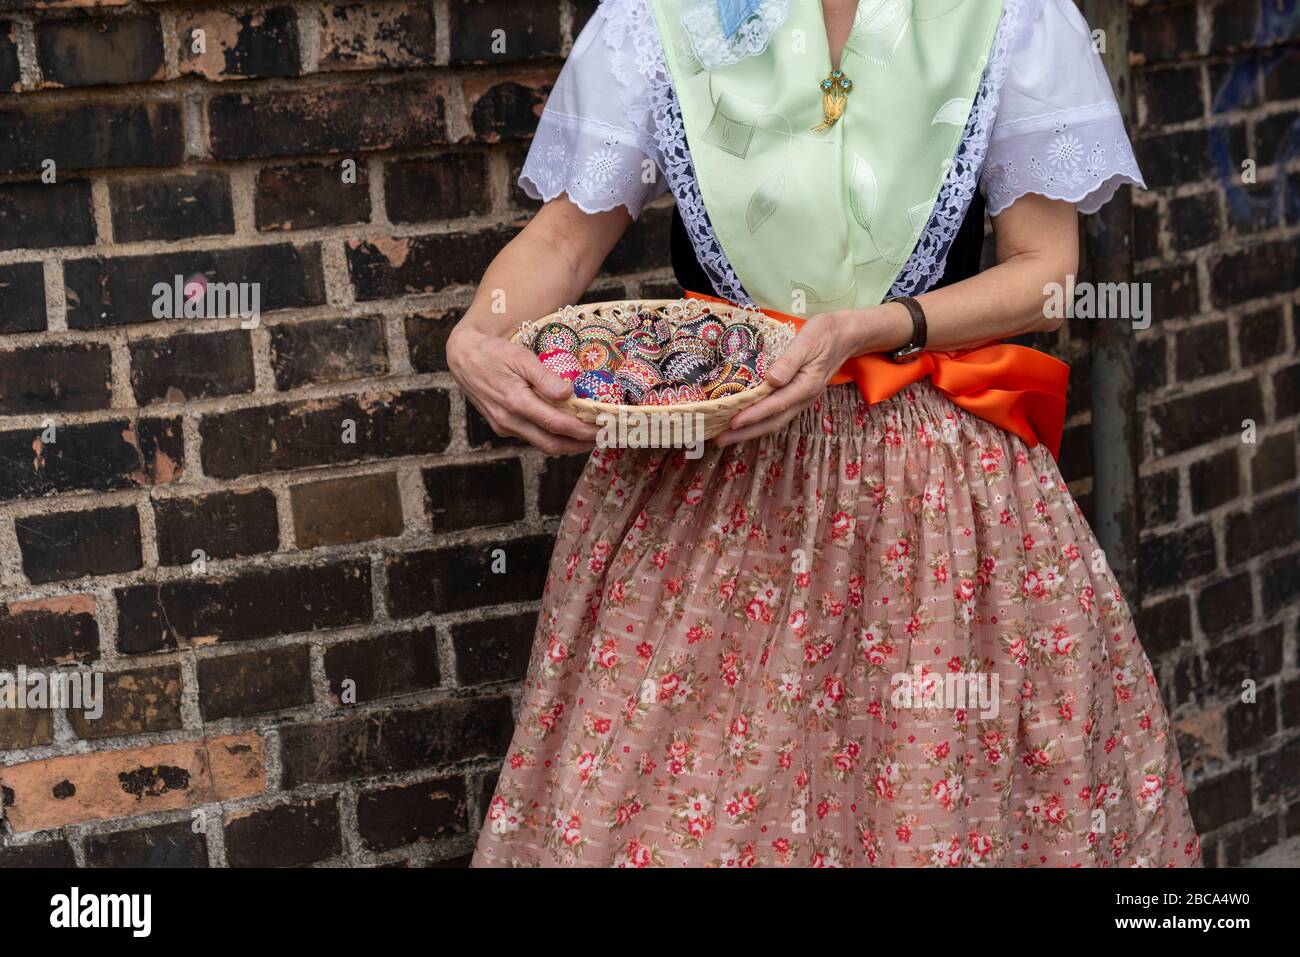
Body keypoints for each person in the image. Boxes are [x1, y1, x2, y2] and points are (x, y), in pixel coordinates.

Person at [450, 0, 1201, 867]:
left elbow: (1047, 274)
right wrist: (477, 332)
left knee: (930, 793)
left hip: (932, 487)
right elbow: (564, 244)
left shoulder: (1009, 14)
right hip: (718, 470)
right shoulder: (659, 16)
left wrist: (870, 328)